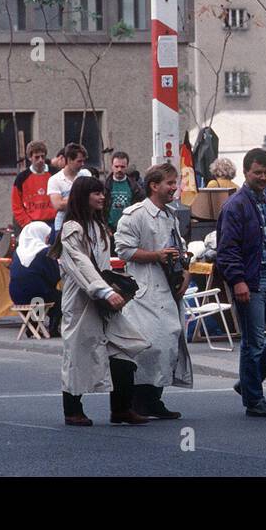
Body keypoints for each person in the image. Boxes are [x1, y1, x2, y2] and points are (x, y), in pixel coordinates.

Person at [56, 176, 149, 427]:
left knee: (124, 349)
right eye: (95, 193)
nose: (102, 197)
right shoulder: (72, 229)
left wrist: (114, 287)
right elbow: (81, 266)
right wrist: (105, 291)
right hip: (82, 302)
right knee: (77, 355)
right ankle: (72, 409)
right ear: (83, 196)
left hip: (105, 301)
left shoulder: (98, 228)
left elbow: (103, 266)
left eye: (102, 193)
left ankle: (121, 408)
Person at [216, 148, 266, 417]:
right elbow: (227, 249)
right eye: (256, 172)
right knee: (253, 342)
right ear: (246, 172)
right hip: (251, 280)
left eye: (265, 172)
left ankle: (249, 382)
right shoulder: (235, 205)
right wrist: (238, 281)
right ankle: (254, 399)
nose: (262, 177)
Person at [113, 163, 194, 420]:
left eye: (175, 182)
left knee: (169, 341)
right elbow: (124, 250)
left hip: (167, 287)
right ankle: (138, 399)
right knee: (149, 345)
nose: (175, 188)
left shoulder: (170, 215)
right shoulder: (134, 214)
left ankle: (154, 398)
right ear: (154, 185)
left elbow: (175, 249)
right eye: (170, 183)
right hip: (144, 288)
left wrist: (184, 270)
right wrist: (156, 256)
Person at [9, 220, 62, 337]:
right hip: (37, 298)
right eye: (47, 236)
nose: (48, 239)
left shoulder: (17, 252)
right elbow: (54, 277)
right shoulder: (44, 252)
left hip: (16, 296)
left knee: (38, 289)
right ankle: (53, 328)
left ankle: (33, 326)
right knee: (60, 297)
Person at [10, 141, 58, 230]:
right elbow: (16, 205)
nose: (40, 160)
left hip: (53, 223)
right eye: (37, 157)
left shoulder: (55, 174)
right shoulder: (22, 178)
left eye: (42, 157)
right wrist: (27, 224)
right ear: (30, 158)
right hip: (31, 224)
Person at [48, 143, 91, 234]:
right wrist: (81, 197)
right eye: (79, 161)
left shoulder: (86, 175)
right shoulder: (55, 180)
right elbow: (58, 205)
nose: (82, 164)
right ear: (69, 160)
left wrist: (67, 200)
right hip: (62, 227)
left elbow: (91, 198)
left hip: (84, 225)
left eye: (83, 161)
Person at [103, 150, 142, 232]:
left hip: (129, 229)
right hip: (110, 230)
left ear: (127, 166)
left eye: (122, 167)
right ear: (112, 166)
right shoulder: (104, 186)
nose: (119, 169)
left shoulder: (136, 187)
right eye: (116, 166)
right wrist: (105, 226)